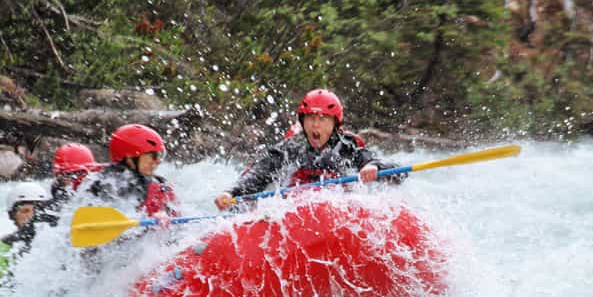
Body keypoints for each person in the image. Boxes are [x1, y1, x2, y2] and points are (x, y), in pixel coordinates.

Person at [214, 89, 398, 210]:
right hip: (295, 205)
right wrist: (231, 193)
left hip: (338, 205)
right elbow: (258, 173)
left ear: (335, 124)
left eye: (323, 119)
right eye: (310, 118)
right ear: (303, 121)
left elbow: (390, 170)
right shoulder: (291, 147)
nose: (315, 126)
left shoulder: (347, 145)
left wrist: (373, 168)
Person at [77, 124, 177, 227]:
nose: (157, 161)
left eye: (160, 155)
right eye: (153, 156)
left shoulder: (160, 185)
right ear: (130, 158)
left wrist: (164, 214)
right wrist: (150, 218)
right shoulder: (107, 183)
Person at [0, 182, 50, 294]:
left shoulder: (54, 245)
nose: (32, 216)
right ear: (12, 215)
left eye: (38, 211)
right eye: (25, 211)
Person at [47, 143, 104, 211]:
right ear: (59, 176)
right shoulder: (50, 209)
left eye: (84, 173)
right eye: (74, 174)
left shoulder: (102, 196)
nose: (80, 179)